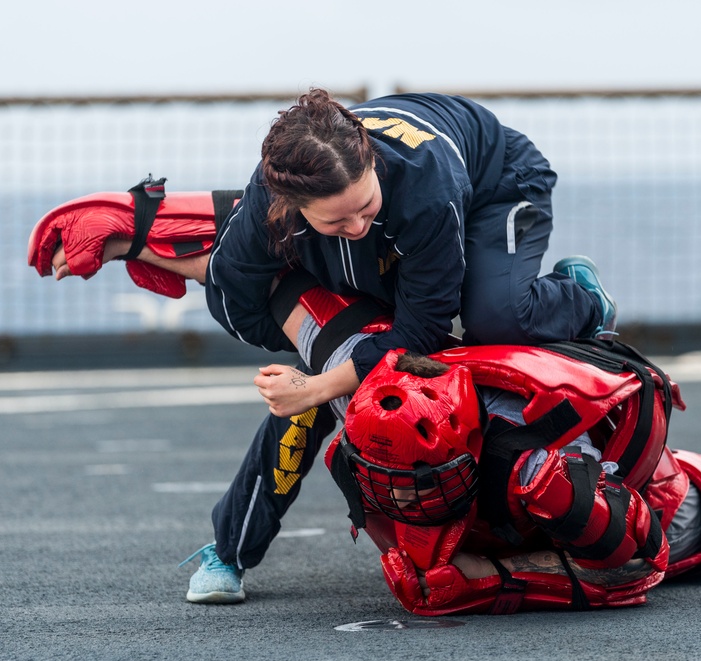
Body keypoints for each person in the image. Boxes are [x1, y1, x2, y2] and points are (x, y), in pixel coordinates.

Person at [38, 89, 617, 603]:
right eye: (339, 222)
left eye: (364, 207)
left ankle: (583, 296)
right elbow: (231, 290)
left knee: (494, 317)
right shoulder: (272, 205)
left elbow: (418, 333)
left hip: (497, 184)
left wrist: (317, 384)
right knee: (333, 359)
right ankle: (230, 549)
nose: (358, 227)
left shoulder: (423, 186)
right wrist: (133, 246)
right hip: (351, 233)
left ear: (369, 161)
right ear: (291, 207)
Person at [326, 344, 701, 615]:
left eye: (418, 479)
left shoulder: (535, 471)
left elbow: (639, 562)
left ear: (467, 449)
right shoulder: (364, 447)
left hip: (650, 507)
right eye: (387, 480)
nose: (399, 496)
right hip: (544, 497)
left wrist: (493, 576)